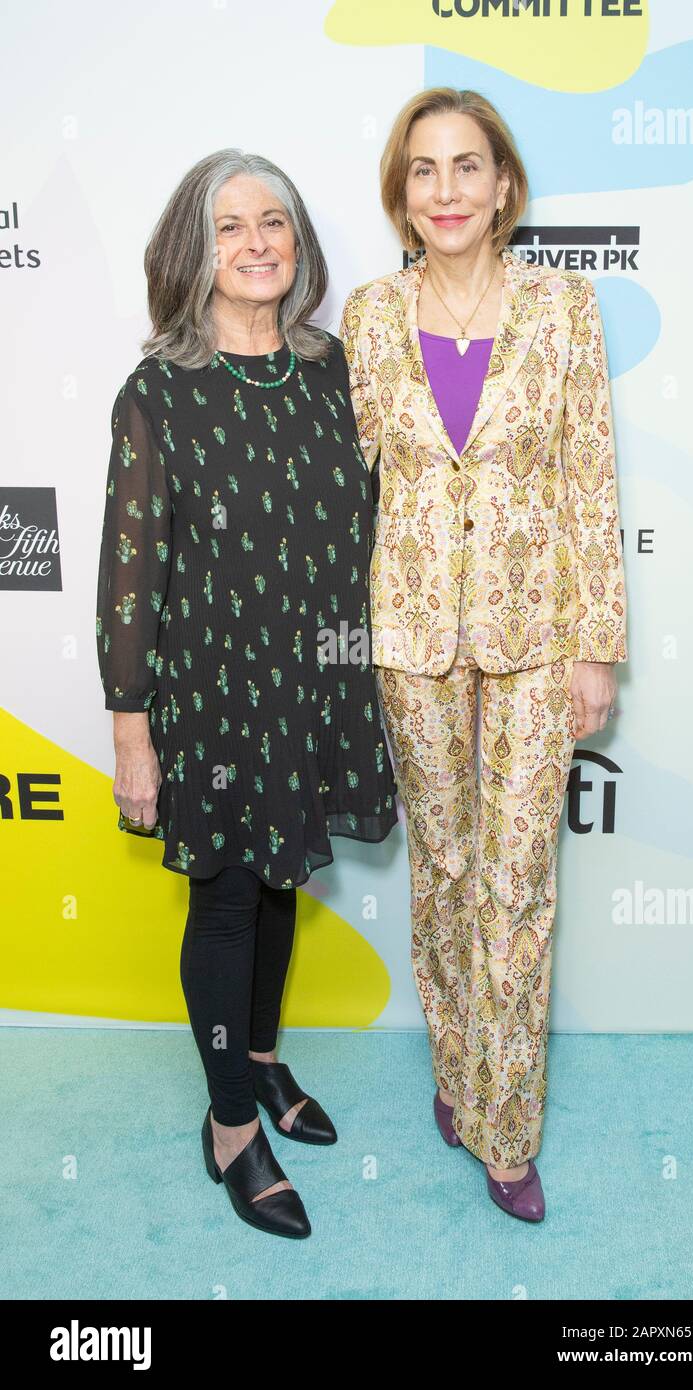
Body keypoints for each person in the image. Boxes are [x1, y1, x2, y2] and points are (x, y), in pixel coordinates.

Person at [95, 149, 398, 1240]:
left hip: (316, 680)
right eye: (230, 227)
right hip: (212, 695)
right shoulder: (160, 391)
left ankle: (262, 1058)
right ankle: (230, 1125)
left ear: (300, 241)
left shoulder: (335, 369)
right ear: (194, 250)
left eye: (274, 220)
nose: (257, 242)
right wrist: (133, 729)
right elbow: (129, 575)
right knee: (225, 895)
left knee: (278, 885)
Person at [339, 88, 628, 1222]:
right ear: (401, 193)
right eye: (424, 171)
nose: (447, 190)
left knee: (515, 885)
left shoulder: (564, 307)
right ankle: (456, 1070)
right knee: (445, 872)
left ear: (503, 184)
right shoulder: (369, 315)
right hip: (409, 635)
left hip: (532, 636)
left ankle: (507, 1127)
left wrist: (594, 645)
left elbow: (589, 480)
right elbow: (338, 482)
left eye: (468, 167)